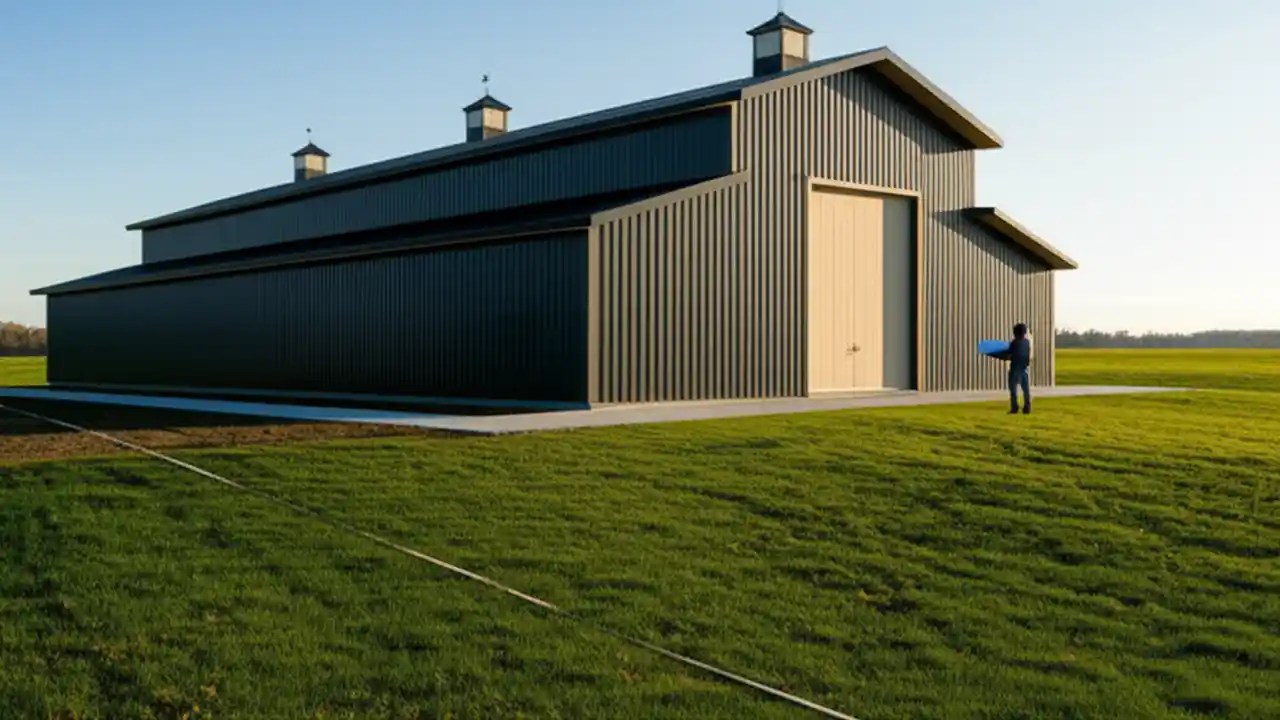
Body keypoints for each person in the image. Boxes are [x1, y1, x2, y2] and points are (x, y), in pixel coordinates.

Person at [1008, 323, 1033, 414]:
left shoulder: (1014, 343)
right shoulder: (1027, 342)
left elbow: (1009, 354)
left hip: (1015, 368)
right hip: (1024, 368)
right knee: (1026, 390)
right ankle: (1027, 407)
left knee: (1013, 389)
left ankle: (1014, 407)